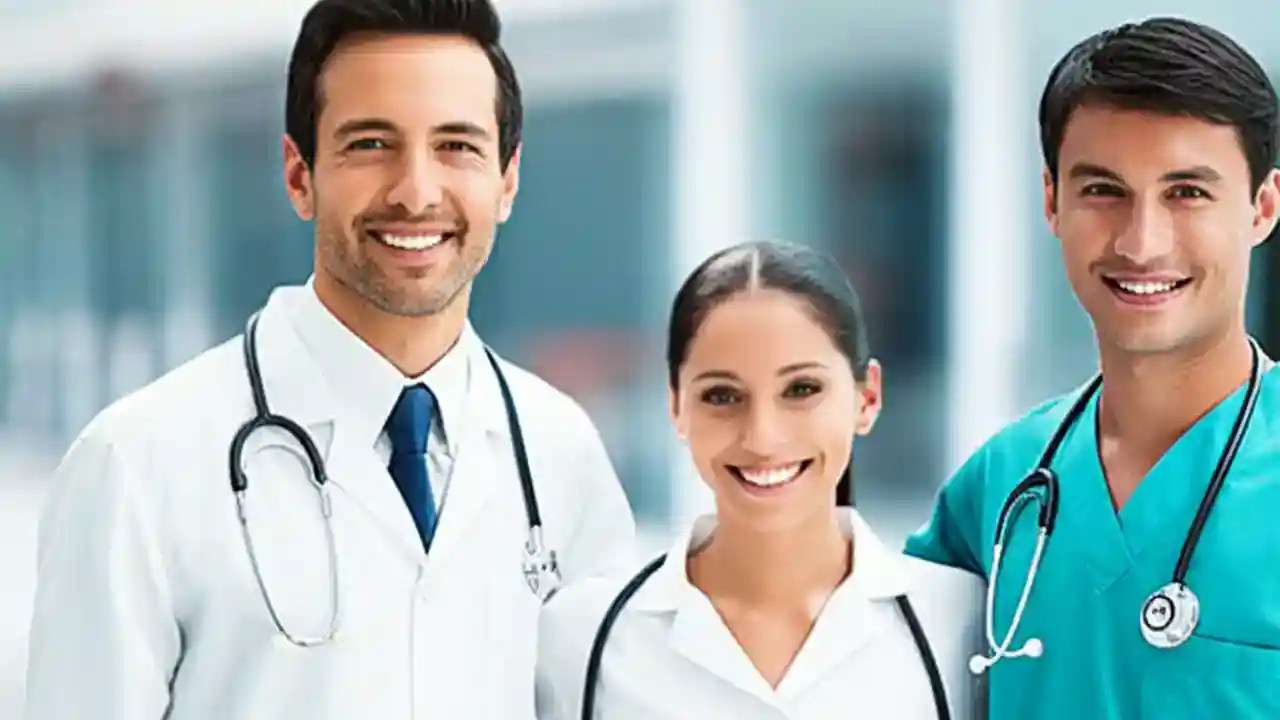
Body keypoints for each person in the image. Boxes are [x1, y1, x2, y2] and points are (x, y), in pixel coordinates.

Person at [24, 1, 636, 718]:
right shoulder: (135, 464)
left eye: (457, 146)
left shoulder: (561, 451)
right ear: (299, 175)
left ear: (507, 181)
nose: (416, 192)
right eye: (371, 144)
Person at [905, 16, 1280, 719]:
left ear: (1262, 208)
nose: (1142, 243)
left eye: (1187, 192)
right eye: (1104, 190)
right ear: (1053, 201)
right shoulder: (1001, 480)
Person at [535, 240, 986, 719]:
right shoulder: (580, 639)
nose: (762, 438)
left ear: (867, 398)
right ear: (677, 406)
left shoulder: (961, 624)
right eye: (722, 396)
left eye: (802, 389)